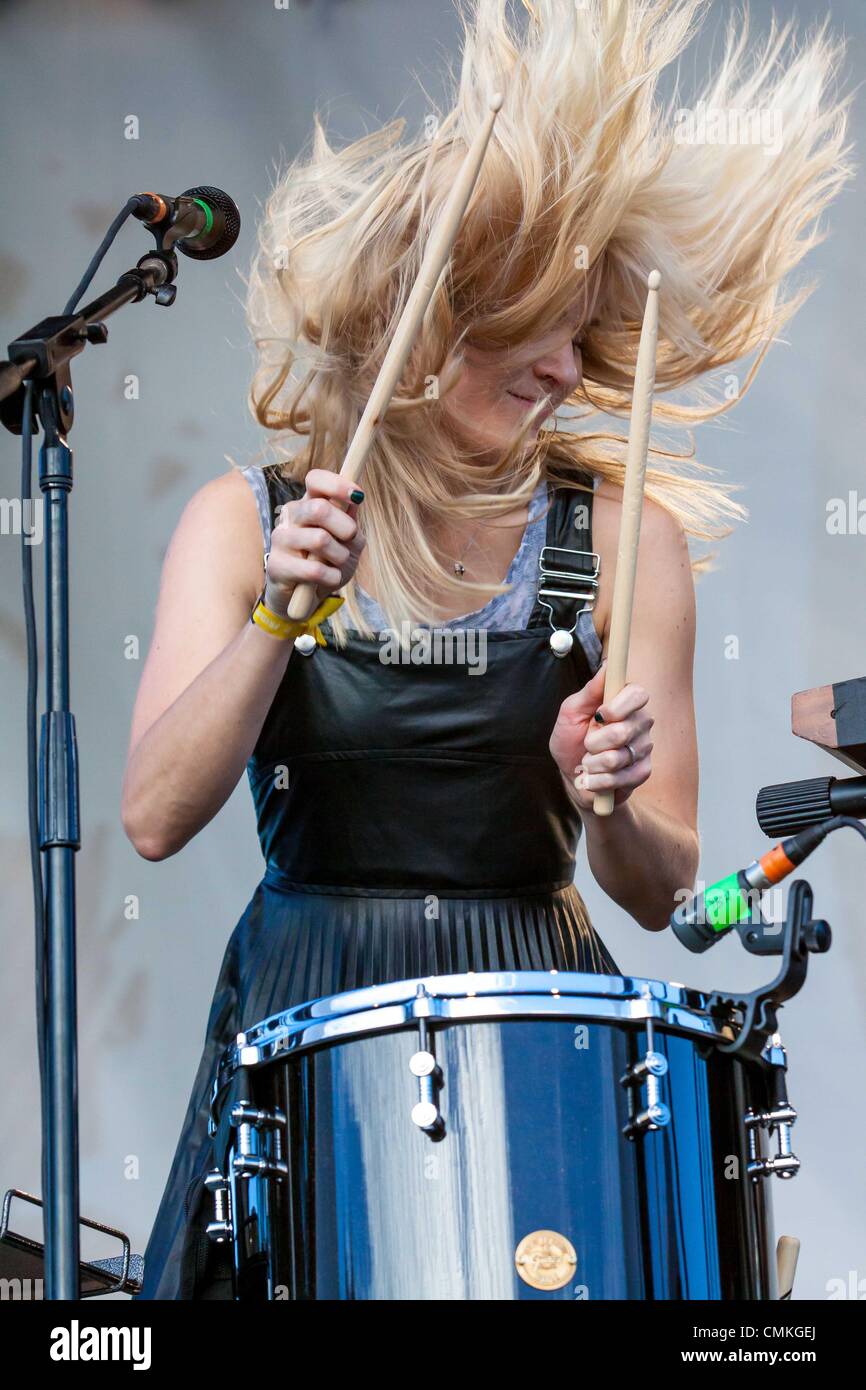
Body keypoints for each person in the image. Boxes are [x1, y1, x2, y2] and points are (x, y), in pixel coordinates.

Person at [123, 0, 851, 1299]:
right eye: (538, 329)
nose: (569, 367)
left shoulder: (630, 537)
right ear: (437, 318)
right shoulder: (250, 522)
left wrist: (608, 798)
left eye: (585, 331)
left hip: (539, 1006)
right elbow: (153, 816)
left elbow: (653, 886)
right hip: (306, 993)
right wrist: (277, 625)